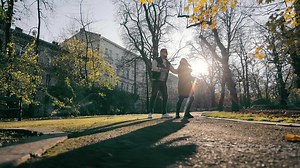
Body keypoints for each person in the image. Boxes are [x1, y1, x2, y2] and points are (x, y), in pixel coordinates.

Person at [148, 48, 177, 119]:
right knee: (153, 96)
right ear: (160, 53)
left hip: (163, 82)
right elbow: (153, 67)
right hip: (156, 80)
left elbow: (174, 70)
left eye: (166, 52)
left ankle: (164, 113)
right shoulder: (156, 60)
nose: (164, 54)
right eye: (163, 52)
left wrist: (182, 70)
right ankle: (150, 112)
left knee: (165, 96)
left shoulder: (168, 63)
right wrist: (161, 69)